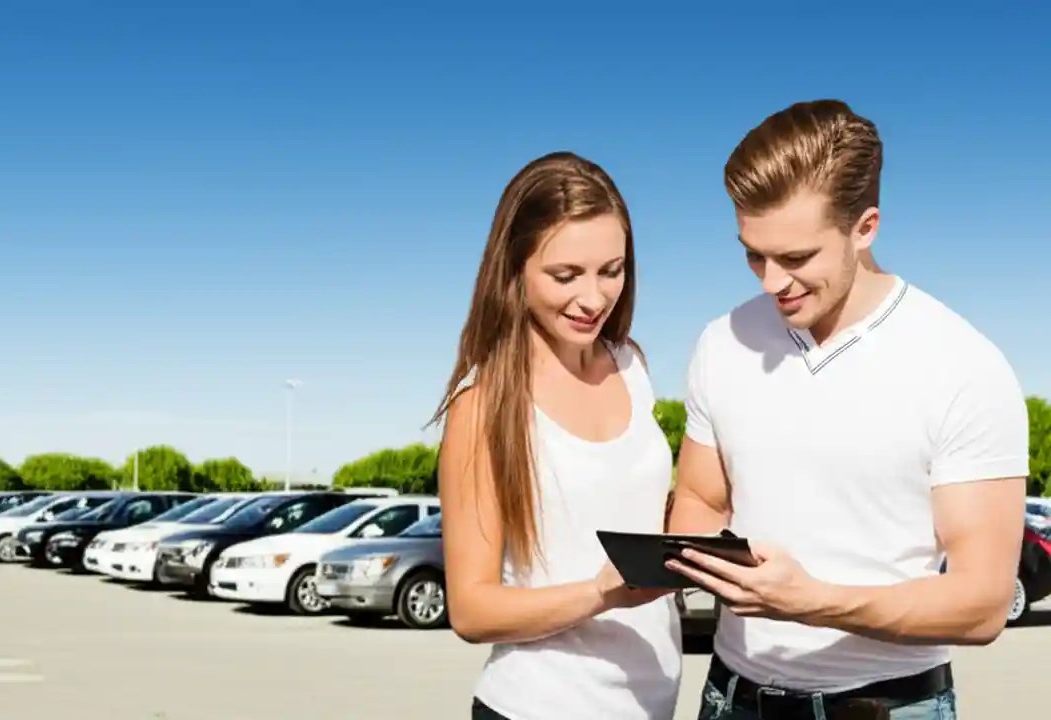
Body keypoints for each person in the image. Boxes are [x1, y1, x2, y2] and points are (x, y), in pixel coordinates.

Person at [666, 99, 1030, 719]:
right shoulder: (720, 343)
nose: (770, 282)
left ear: (866, 227)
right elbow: (701, 497)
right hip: (731, 700)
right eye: (754, 254)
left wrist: (812, 600)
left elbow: (983, 603)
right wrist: (682, 557)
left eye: (796, 258)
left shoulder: (964, 365)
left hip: (888, 707)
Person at [432, 151, 684, 719]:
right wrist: (601, 593)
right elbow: (471, 612)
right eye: (565, 275)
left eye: (611, 270)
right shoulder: (483, 404)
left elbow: (630, 516)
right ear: (514, 270)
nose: (593, 298)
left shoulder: (631, 367)